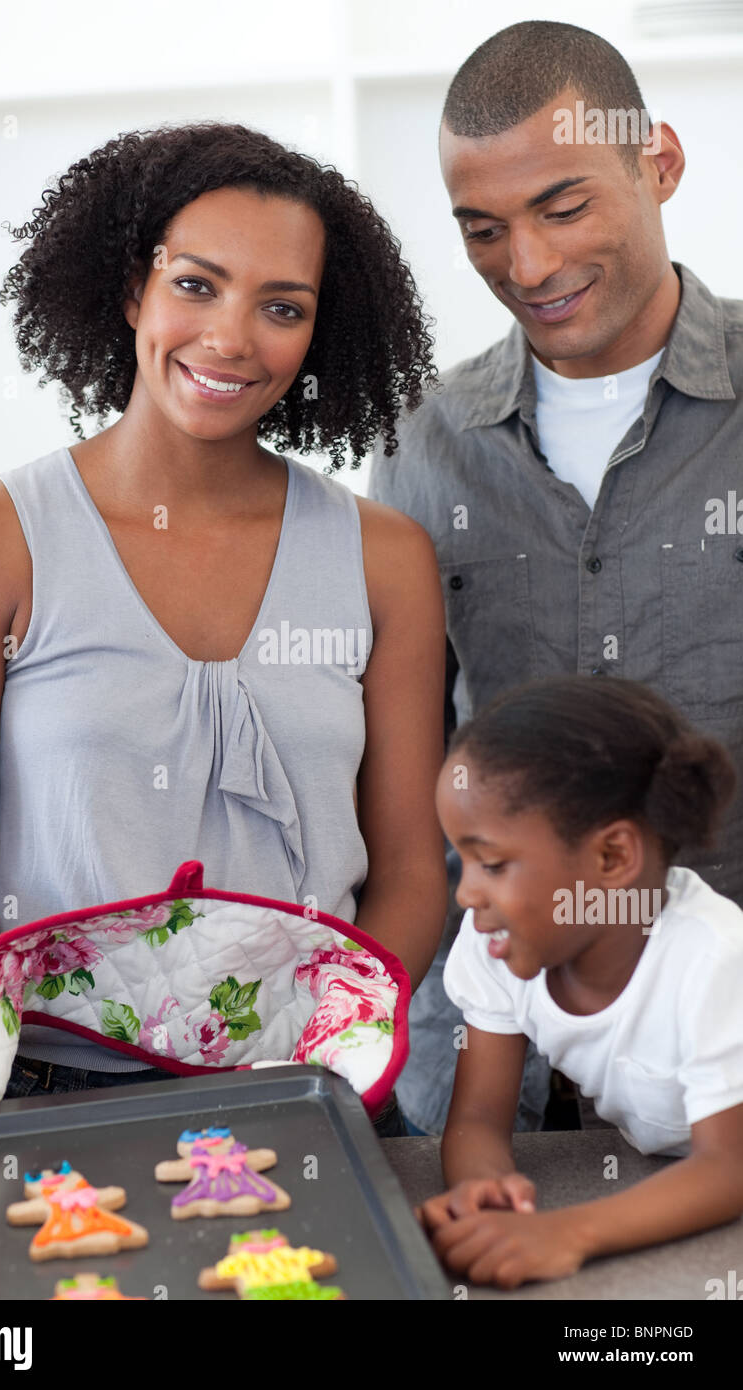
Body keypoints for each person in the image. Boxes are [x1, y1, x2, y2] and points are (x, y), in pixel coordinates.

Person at [0, 121, 448, 1163]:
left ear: (318, 336)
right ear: (130, 291)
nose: (232, 338)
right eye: (196, 284)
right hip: (50, 1094)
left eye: (281, 307)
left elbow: (413, 870)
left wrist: (326, 1057)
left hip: (311, 1093)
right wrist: (4, 1074)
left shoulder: (385, 558)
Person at [368, 19, 743, 1138]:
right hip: (495, 1047)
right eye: (483, 228)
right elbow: (402, 754)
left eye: (564, 207)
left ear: (658, 162)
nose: (524, 267)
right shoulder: (419, 441)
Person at [419, 675, 743, 1288]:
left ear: (612, 858)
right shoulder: (499, 945)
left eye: (491, 864)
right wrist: (483, 1192)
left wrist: (567, 1232)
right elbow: (481, 1117)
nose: (466, 894)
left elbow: (728, 1168)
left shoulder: (713, 957)